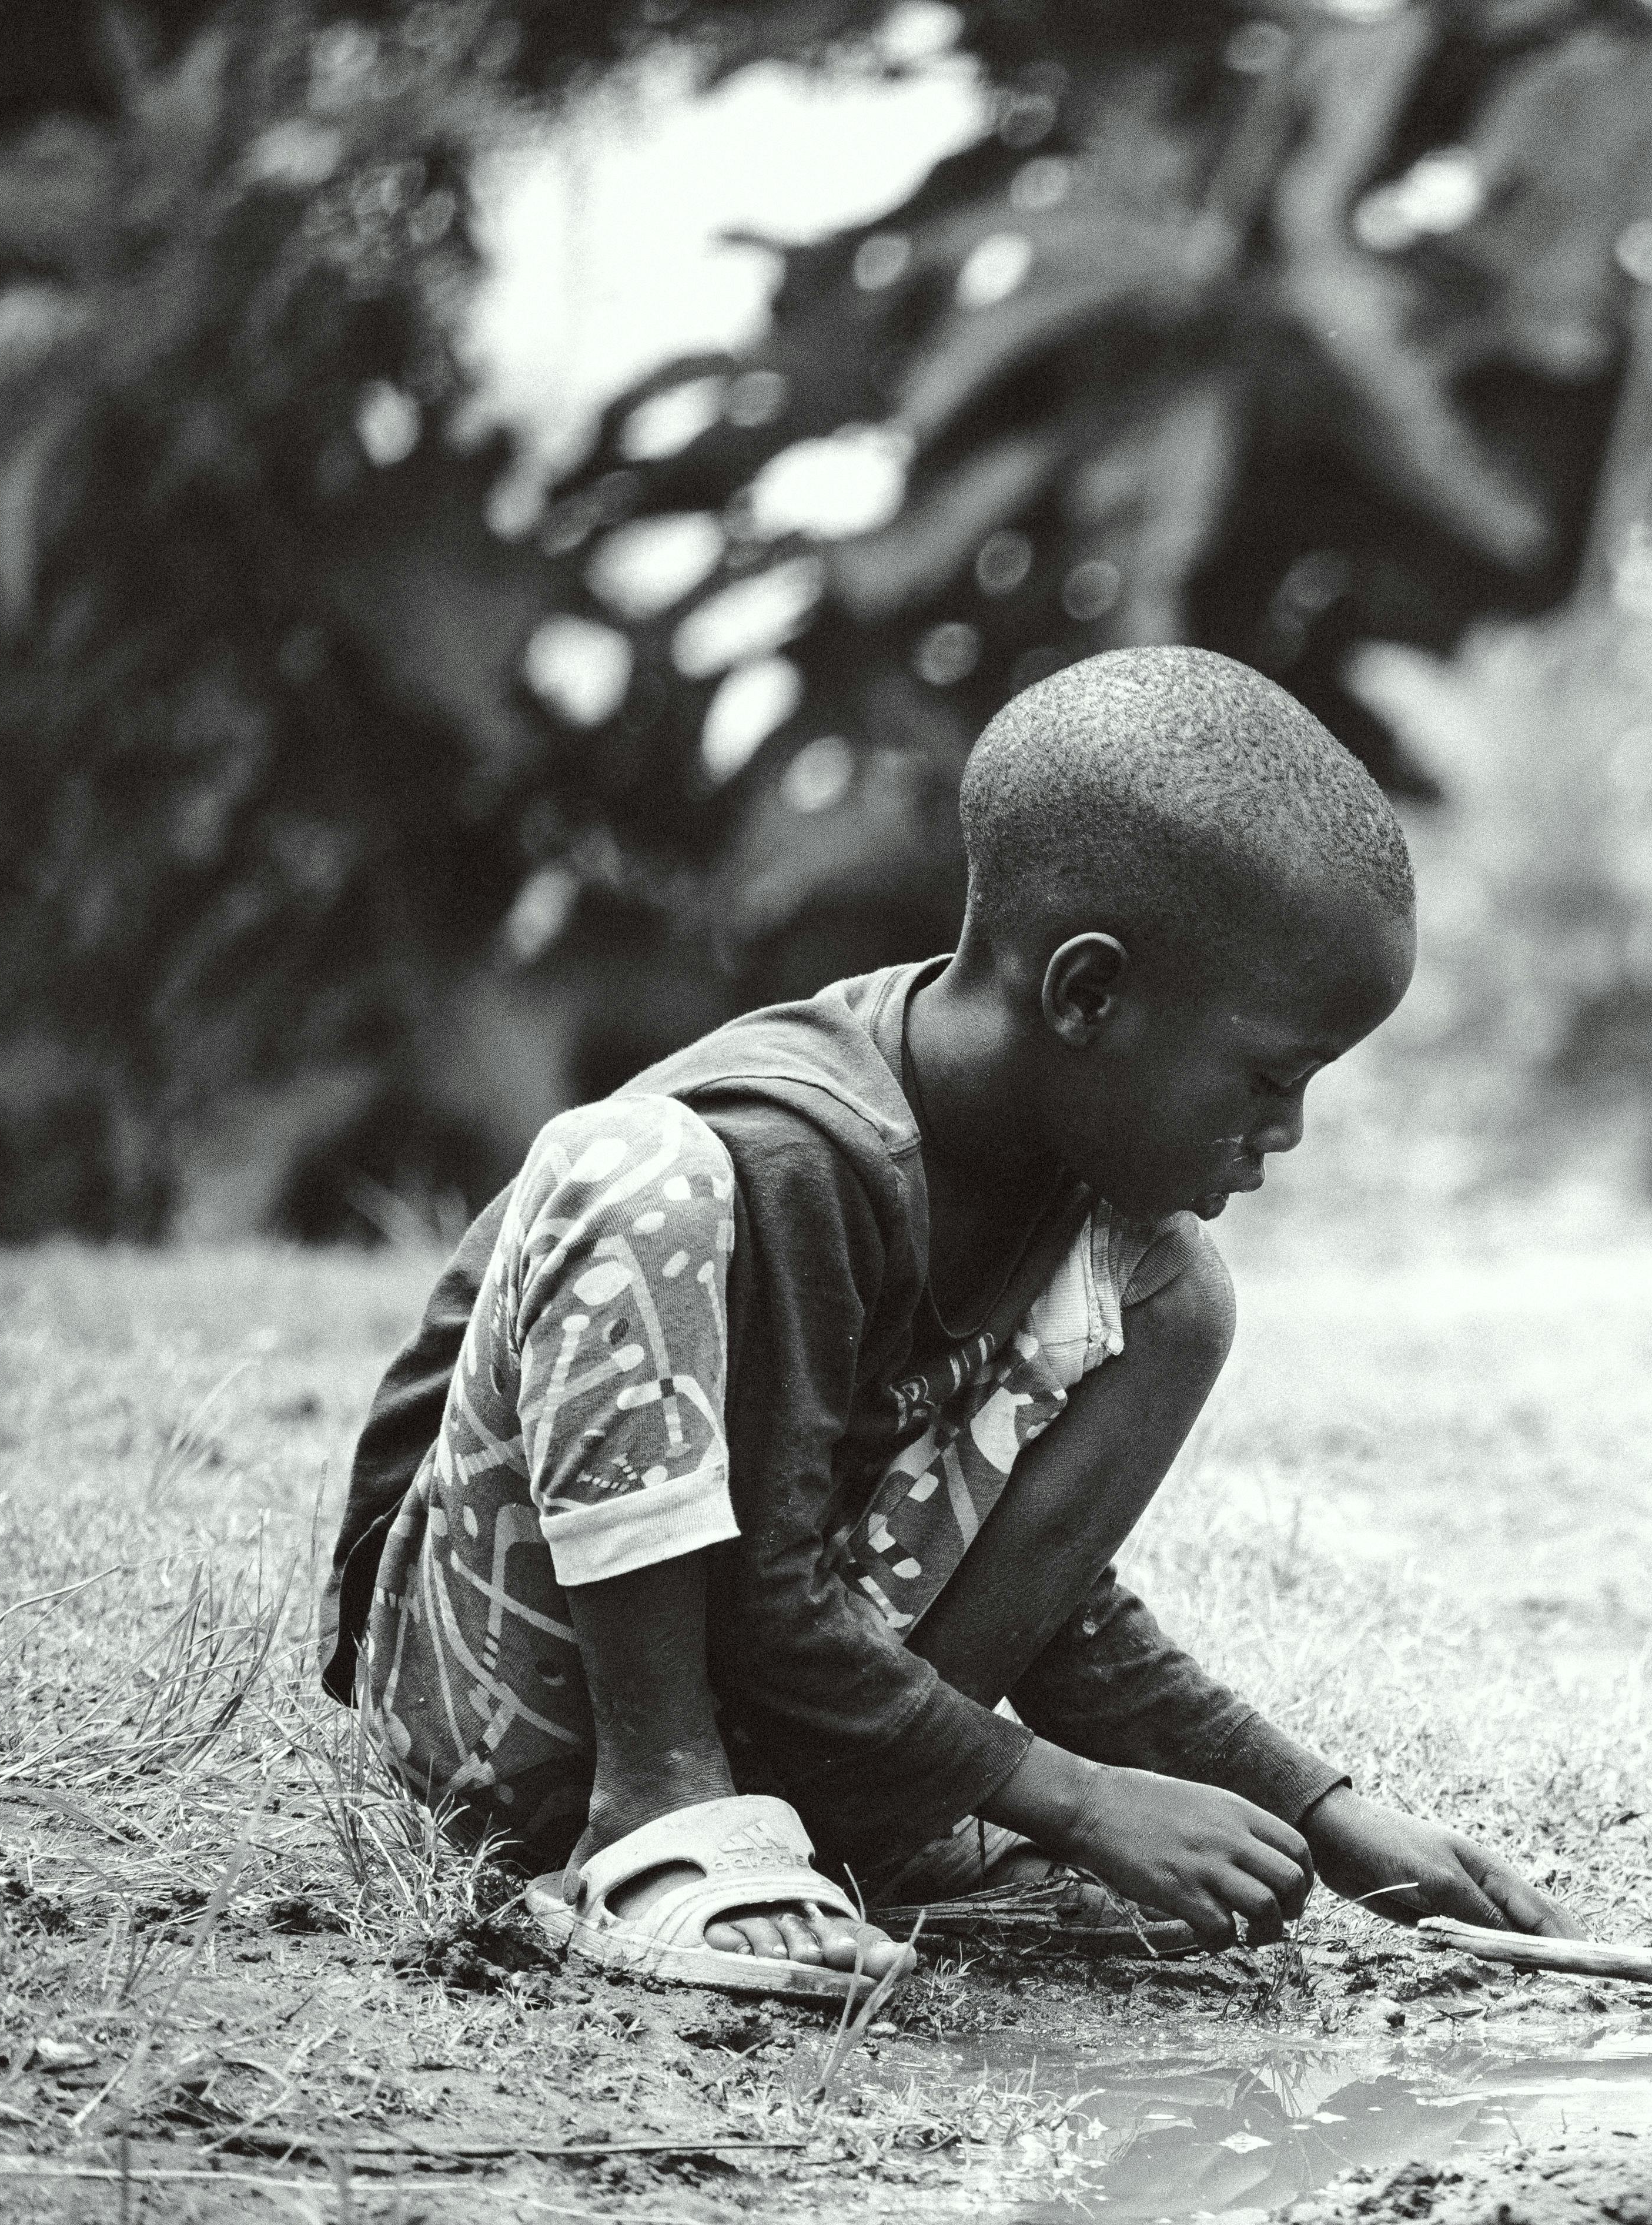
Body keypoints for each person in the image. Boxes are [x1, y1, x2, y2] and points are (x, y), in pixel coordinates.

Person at [326, 648, 1573, 2001]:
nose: (1287, 1134)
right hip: (509, 1684)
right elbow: (762, 1595)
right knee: (643, 1171)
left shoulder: (1093, 1230)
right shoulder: (799, 1153)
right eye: (1272, 1077)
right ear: (1088, 995)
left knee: (1177, 1290)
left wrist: (1326, 1813)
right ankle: (660, 1814)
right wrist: (1077, 1799)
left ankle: (850, 1827)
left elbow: (1045, 1601)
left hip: (790, 1693)